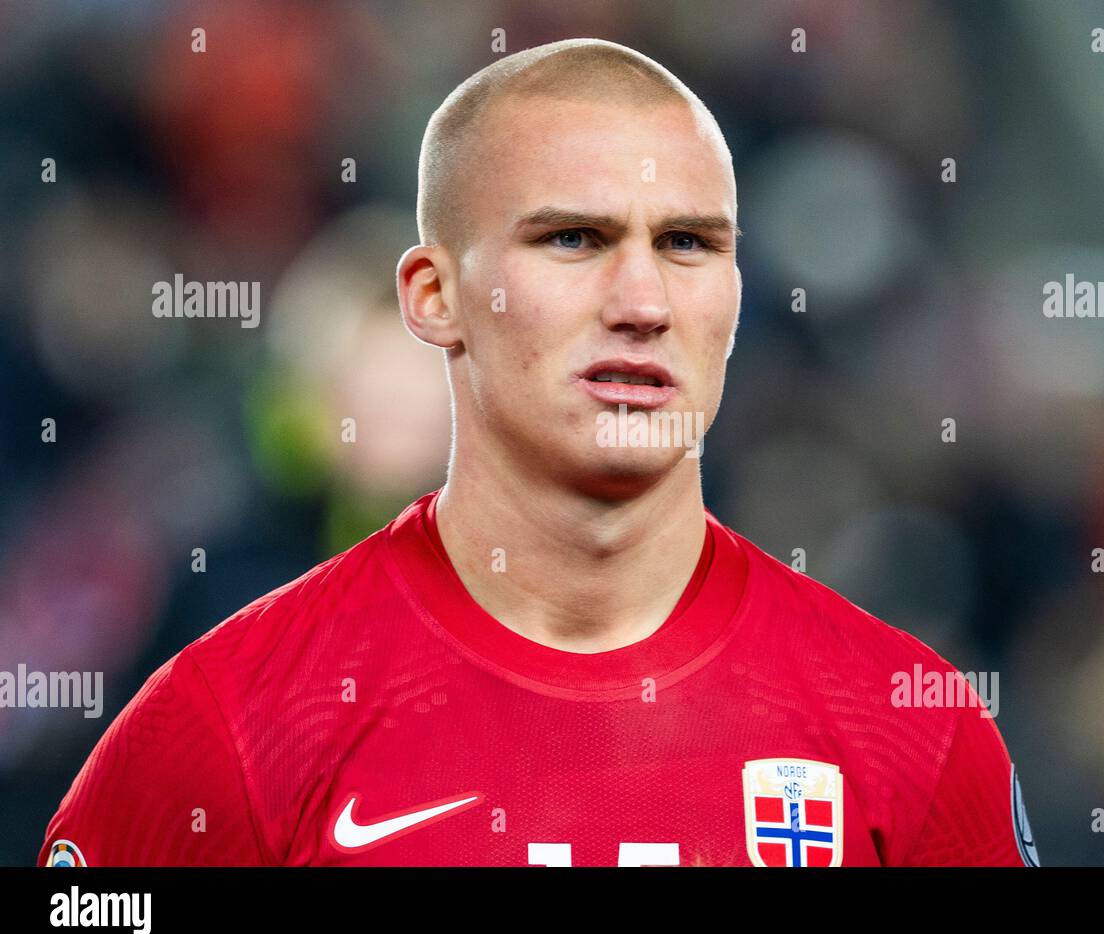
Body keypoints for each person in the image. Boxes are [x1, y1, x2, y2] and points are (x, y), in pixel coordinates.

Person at [39, 38, 1035, 867]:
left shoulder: (915, 732)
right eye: (572, 239)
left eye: (688, 244)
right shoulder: (228, 723)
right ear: (435, 297)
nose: (641, 302)